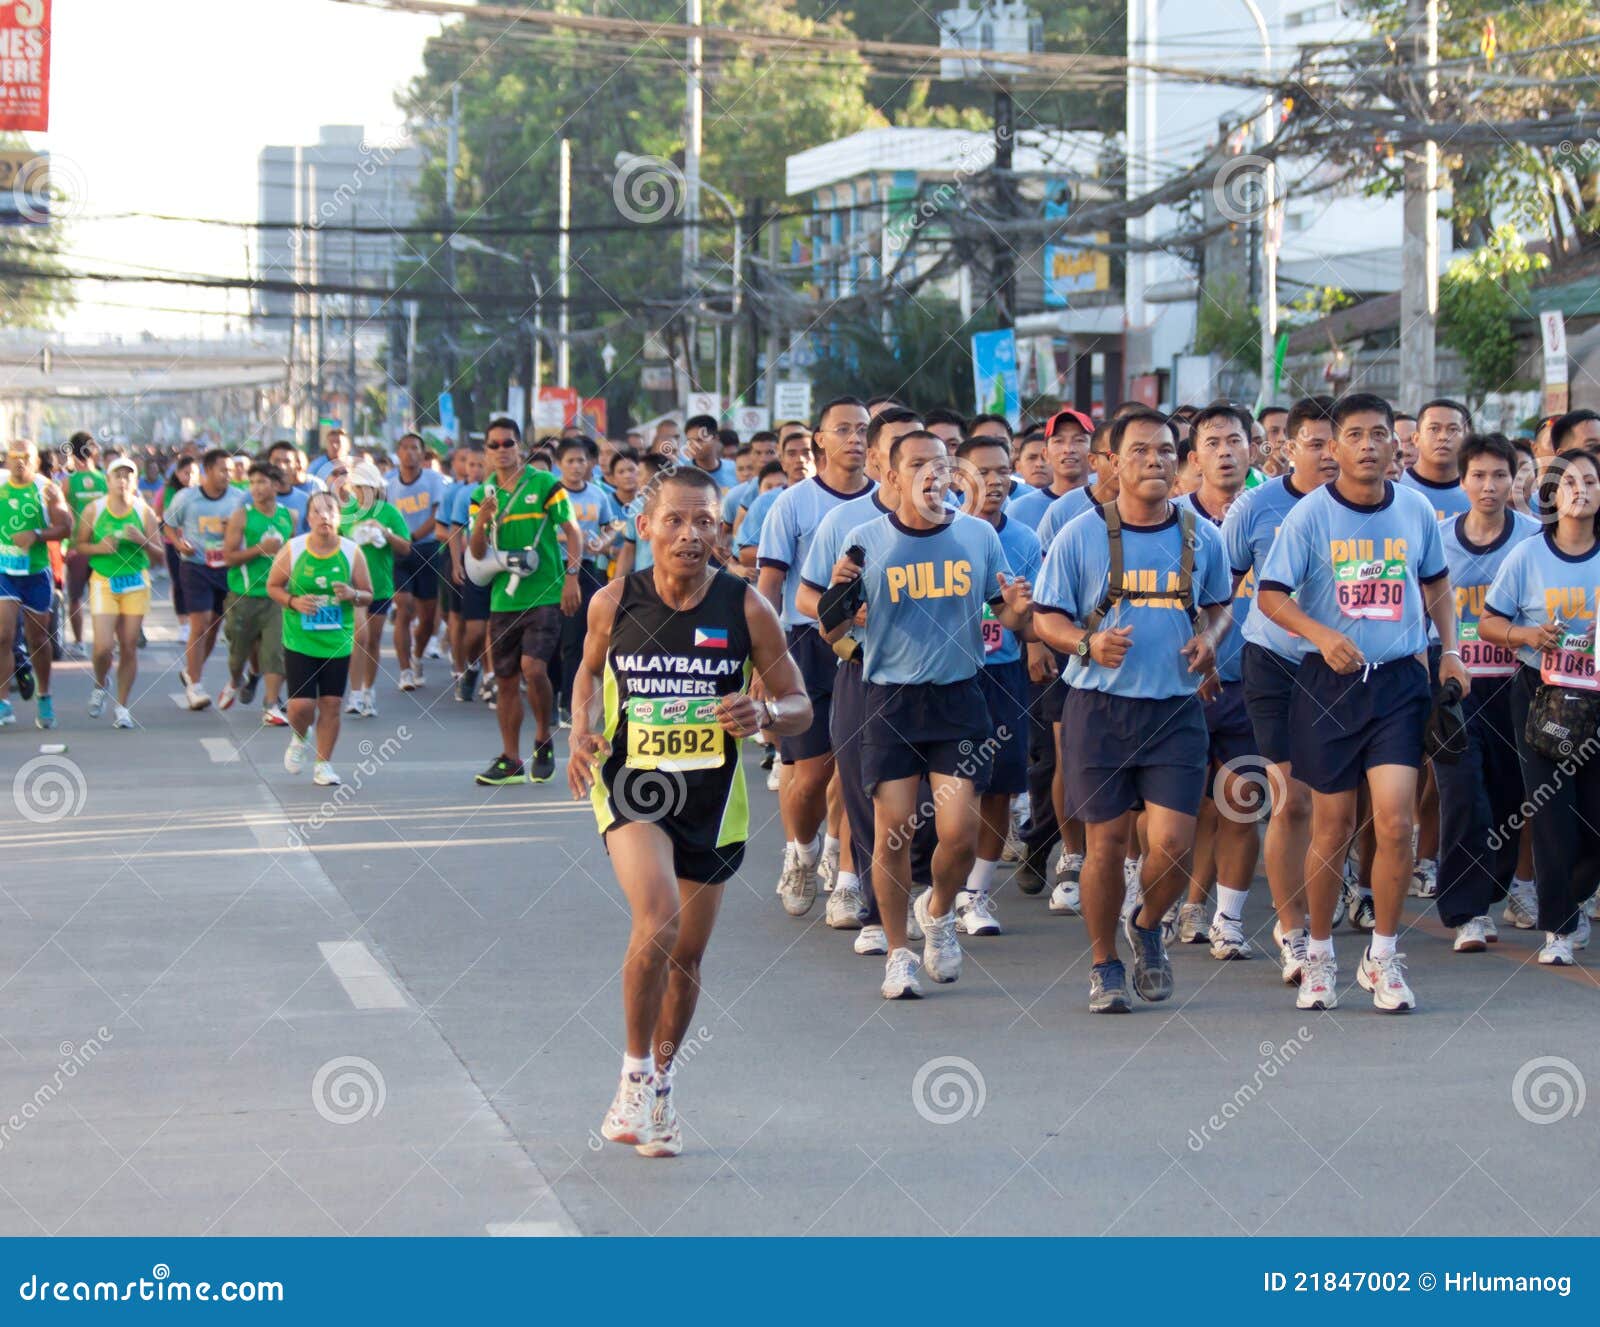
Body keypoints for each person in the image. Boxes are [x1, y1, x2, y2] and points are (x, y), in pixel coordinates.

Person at [569, 465, 810, 1159]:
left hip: (713, 798)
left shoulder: (745, 608)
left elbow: (800, 704)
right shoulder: (614, 601)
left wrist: (764, 713)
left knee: (687, 956)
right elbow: (588, 671)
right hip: (634, 788)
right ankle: (632, 1077)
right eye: (674, 520)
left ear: (720, 529)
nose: (689, 534)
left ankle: (663, 1086)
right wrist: (581, 728)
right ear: (645, 525)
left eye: (703, 520)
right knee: (659, 917)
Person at [1257, 392, 1470, 1012]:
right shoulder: (1311, 516)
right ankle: (1320, 956)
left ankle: (1383, 955)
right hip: (1328, 686)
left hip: (1398, 682)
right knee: (1333, 826)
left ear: (1394, 445)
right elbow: (1270, 596)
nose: (1369, 445)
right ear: (1335, 447)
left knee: (1396, 821)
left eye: (1380, 434)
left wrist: (1451, 650)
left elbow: (1437, 584)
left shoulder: (1415, 509)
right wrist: (1321, 636)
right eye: (1355, 435)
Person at [1032, 408, 1232, 1012]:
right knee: (1107, 844)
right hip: (1099, 710)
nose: (1154, 460)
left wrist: (1210, 638)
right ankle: (1104, 963)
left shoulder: (1202, 536)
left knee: (1173, 844)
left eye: (1166, 450)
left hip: (1175, 711)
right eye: (1140, 450)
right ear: (1112, 463)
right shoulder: (1079, 535)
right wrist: (1085, 643)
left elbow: (1221, 605)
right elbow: (1045, 618)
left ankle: (1145, 925)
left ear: (1181, 461)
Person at [820, 430, 1032, 998]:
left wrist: (1018, 610)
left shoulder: (978, 535)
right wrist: (847, 621)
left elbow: (1010, 620)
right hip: (890, 701)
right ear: (891, 476)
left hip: (959, 698)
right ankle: (898, 953)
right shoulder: (865, 541)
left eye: (941, 464)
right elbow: (829, 630)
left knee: (958, 833)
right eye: (917, 464)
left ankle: (937, 913)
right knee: (891, 835)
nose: (932, 474)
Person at [796, 407, 925, 950]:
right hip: (863, 672)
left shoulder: (952, 523)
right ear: (877, 459)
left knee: (930, 805)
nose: (916, 459)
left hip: (935, 682)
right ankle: (875, 908)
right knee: (865, 793)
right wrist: (846, 614)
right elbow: (807, 597)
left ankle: (928, 898)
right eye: (900, 447)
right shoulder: (846, 525)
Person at [1223, 396, 1341, 982]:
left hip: (1339, 666)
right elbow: (1219, 584)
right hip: (1272, 661)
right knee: (1290, 799)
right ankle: (1291, 927)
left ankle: (1322, 905)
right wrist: (1205, 650)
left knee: (1332, 805)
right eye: (1315, 444)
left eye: (1336, 443)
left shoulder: (1366, 505)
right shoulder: (1257, 505)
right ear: (1288, 447)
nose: (1328, 454)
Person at [1480, 446, 1600, 966]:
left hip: (1597, 697)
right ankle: (1559, 927)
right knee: (1551, 814)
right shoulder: (1528, 555)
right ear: (1551, 494)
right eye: (1569, 482)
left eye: (1590, 481)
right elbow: (1489, 623)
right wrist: (1528, 635)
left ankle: (1572, 897)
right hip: (1542, 696)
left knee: (1593, 821)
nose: (1580, 491)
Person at [756, 397, 874, 914]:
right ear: (819, 440)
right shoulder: (793, 503)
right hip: (805, 645)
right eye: (842, 429)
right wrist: (762, 660)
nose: (855, 438)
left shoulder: (885, 501)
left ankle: (847, 877)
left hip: (864, 647)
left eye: (863, 430)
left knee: (856, 769)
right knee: (810, 776)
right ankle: (801, 853)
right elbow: (769, 586)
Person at [1427, 434, 1539, 952]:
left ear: (1515, 480)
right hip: (1455, 687)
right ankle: (1465, 912)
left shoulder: (1534, 540)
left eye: (1500, 475)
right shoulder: (1437, 538)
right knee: (1461, 794)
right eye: (1478, 475)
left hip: (1518, 688)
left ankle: (1494, 888)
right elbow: (1418, 608)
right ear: (1463, 480)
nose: (1489, 486)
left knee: (1510, 796)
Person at [1173, 403, 1261, 959]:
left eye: (1235, 441)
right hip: (1178, 684)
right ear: (1194, 456)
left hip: (1252, 682)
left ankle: (1225, 917)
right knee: (1176, 809)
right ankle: (1167, 896)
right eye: (1213, 443)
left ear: (1253, 448)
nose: (1225, 452)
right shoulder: (1169, 516)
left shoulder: (1273, 508)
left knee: (1240, 800)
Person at [954, 435, 1042, 937]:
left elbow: (1031, 620)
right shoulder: (941, 530)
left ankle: (976, 893)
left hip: (1003, 674)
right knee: (950, 789)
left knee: (1000, 787)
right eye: (982, 472)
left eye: (1003, 471)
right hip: (949, 675)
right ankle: (936, 885)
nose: (995, 482)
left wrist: (1028, 625)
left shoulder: (1025, 540)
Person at [467, 417, 584, 786]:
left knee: (533, 668)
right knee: (505, 679)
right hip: (504, 598)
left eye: (508, 443)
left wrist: (572, 577)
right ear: (486, 451)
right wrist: (482, 520)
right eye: (494, 445)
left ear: (519, 446)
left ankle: (543, 738)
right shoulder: (481, 494)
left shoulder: (545, 484)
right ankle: (510, 759)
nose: (502, 450)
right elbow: (476, 552)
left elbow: (573, 531)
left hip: (545, 593)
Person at [266, 491, 374, 787]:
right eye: (317, 511)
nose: (324, 515)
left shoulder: (352, 552)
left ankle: (323, 764)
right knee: (300, 707)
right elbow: (273, 586)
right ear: (308, 518)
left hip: (336, 641)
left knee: (331, 703)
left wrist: (352, 594)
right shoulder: (294, 549)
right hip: (300, 639)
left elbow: (368, 594)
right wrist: (293, 601)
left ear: (339, 518)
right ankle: (300, 737)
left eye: (330, 510)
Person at [76, 457, 161, 729]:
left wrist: (143, 540)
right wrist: (100, 548)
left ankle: (122, 706)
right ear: (108, 481)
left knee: (128, 644)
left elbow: (160, 555)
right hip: (104, 581)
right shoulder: (94, 509)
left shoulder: (144, 512)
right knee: (103, 647)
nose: (122, 481)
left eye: (128, 476)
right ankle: (101, 683)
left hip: (135, 582)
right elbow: (79, 545)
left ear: (135, 481)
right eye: (117, 476)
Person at [163, 448, 247, 710]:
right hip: (196, 566)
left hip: (226, 567)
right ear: (208, 470)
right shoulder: (186, 498)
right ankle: (195, 686)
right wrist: (179, 544)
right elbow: (168, 524)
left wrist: (233, 531)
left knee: (214, 626)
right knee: (200, 623)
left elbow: (247, 527)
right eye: (223, 470)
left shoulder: (239, 498)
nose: (228, 475)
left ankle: (191, 671)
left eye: (230, 471)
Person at [0, 440, 72, 729]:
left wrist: (37, 534)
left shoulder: (47, 489)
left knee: (38, 640)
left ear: (36, 462)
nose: (19, 462)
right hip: (4, 572)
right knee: (3, 636)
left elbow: (66, 527)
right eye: (14, 456)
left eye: (26, 457)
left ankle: (44, 695)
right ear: (7, 460)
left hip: (35, 573)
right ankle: (4, 703)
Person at [219, 462, 297, 724]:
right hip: (244, 595)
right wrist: (260, 549)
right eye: (252, 483)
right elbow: (229, 557)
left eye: (262, 482)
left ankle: (271, 705)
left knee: (275, 651)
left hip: (277, 595)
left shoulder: (289, 516)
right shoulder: (242, 516)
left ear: (276, 486)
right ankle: (235, 680)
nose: (256, 488)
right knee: (238, 654)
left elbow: (293, 553)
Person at [555, 438, 624, 722]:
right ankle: (553, 694)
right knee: (555, 637)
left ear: (589, 464)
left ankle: (569, 702)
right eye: (570, 461)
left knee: (579, 637)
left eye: (581, 460)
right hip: (555, 568)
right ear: (559, 464)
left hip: (587, 570)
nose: (576, 466)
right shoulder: (553, 494)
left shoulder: (598, 494)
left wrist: (602, 542)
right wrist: (569, 537)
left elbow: (613, 526)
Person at [340, 463, 411, 718]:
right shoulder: (345, 512)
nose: (363, 492)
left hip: (379, 586)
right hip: (351, 586)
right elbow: (332, 542)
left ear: (377, 488)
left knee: (372, 640)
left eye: (368, 487)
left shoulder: (389, 512)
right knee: (358, 638)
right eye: (359, 487)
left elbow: (406, 547)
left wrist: (385, 533)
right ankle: (355, 693)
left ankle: (369, 691)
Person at [386, 433, 447, 691]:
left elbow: (437, 516)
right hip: (399, 553)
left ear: (422, 454)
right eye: (405, 447)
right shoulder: (388, 484)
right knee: (405, 607)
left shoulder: (433, 479)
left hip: (427, 549)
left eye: (415, 448)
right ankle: (405, 671)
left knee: (428, 617)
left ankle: (417, 656)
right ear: (398, 452)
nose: (409, 452)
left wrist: (412, 537)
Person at [62, 431, 108, 661]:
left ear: (71, 451)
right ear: (92, 450)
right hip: (100, 547)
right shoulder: (104, 480)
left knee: (76, 597)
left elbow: (65, 518)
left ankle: (80, 643)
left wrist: (66, 545)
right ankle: (104, 640)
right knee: (103, 596)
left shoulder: (67, 483)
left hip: (80, 548)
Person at [1008, 409, 1091, 531]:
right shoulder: (1019, 509)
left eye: (1079, 440)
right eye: (1059, 441)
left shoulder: (1108, 503)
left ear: (1094, 452)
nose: (1068, 449)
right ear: (1046, 454)